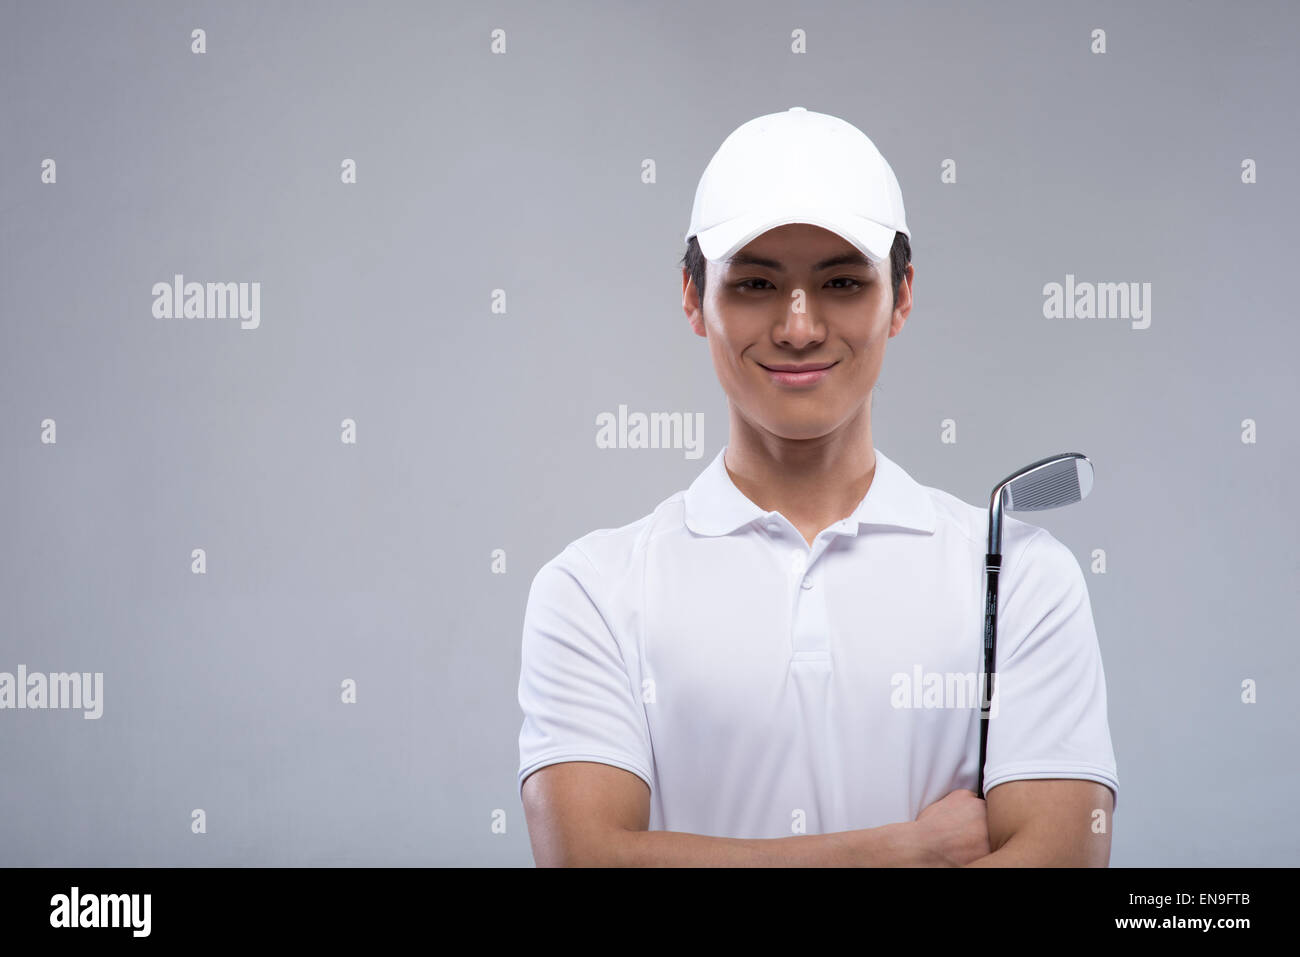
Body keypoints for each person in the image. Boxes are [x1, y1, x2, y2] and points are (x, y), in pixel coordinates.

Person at [516, 107, 1118, 866]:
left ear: (900, 297)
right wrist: (908, 850)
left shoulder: (1025, 576)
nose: (799, 327)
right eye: (756, 283)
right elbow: (588, 861)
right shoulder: (592, 589)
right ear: (693, 298)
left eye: (840, 281)